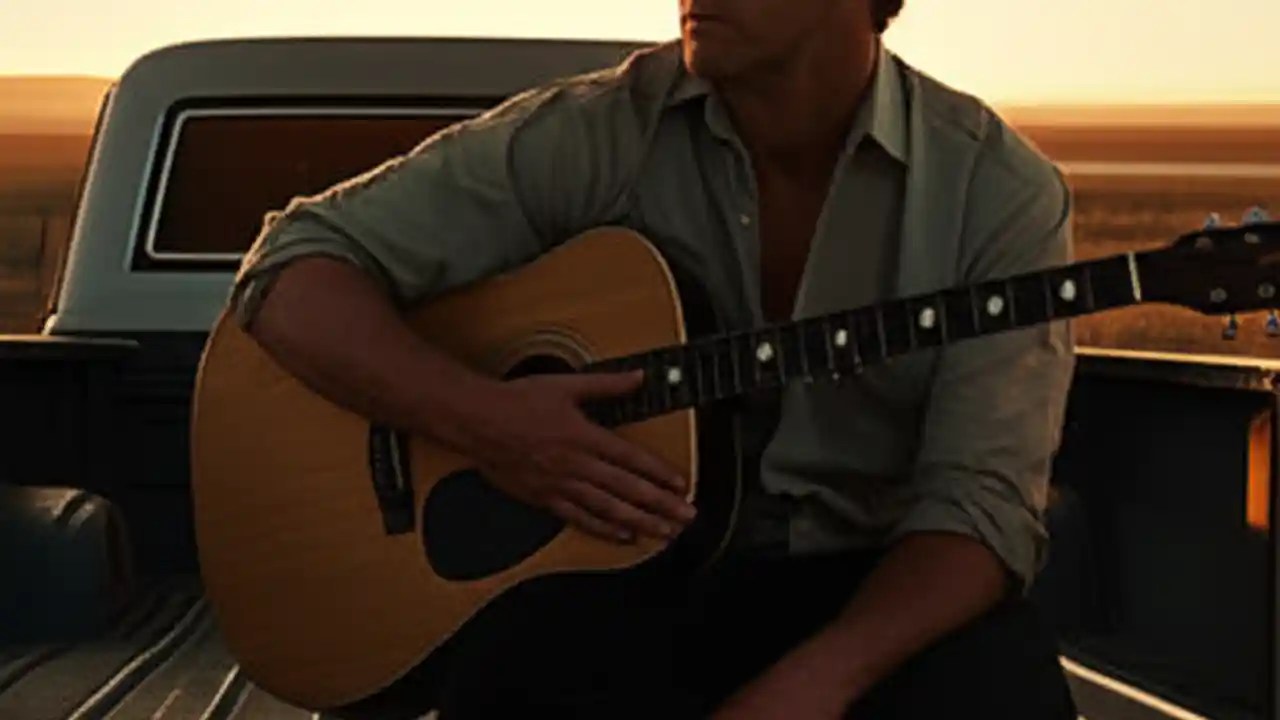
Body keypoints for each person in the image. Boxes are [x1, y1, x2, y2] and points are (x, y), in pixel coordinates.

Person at [229, 0, 1080, 717]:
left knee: (1003, 685)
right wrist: (486, 424)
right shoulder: (602, 131)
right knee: (517, 667)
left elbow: (979, 508)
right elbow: (291, 267)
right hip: (620, 565)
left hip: (866, 586)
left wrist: (806, 688)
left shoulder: (993, 190)